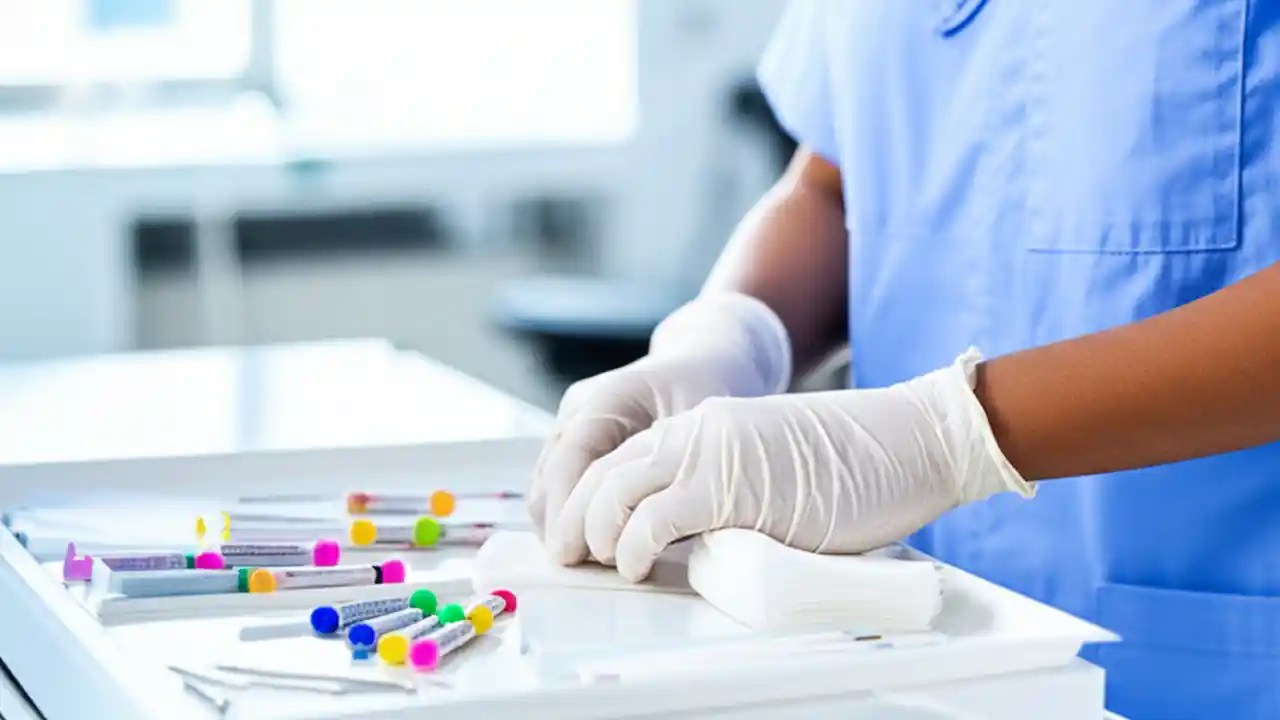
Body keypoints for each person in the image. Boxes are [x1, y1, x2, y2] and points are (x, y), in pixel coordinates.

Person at [529, 2, 1280, 718]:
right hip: (898, 642)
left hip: (1203, 662)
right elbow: (831, 183)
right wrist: (733, 336)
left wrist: (945, 436)